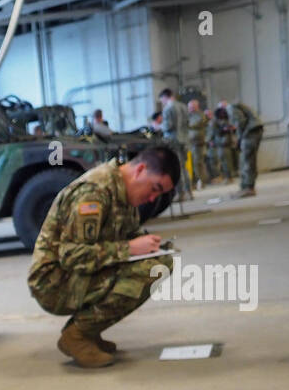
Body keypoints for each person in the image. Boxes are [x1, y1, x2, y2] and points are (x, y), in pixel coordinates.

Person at [27, 147, 180, 369]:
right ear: (140, 170)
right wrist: (129, 249)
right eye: (154, 188)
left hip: (76, 274)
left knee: (161, 263)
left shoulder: (124, 194)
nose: (152, 197)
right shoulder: (94, 192)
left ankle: (88, 331)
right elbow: (72, 256)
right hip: (53, 282)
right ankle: (77, 336)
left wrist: (149, 247)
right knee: (148, 271)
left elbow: (126, 236)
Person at [159, 88, 193, 200]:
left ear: (165, 97)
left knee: (176, 168)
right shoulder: (183, 106)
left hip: (173, 140)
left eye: (162, 100)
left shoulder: (168, 108)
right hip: (184, 139)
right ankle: (189, 192)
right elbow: (188, 123)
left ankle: (180, 193)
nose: (162, 102)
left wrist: (158, 126)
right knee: (184, 167)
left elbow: (168, 126)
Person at [228, 100, 265, 197]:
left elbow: (240, 122)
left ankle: (248, 188)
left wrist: (239, 139)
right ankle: (245, 187)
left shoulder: (230, 108)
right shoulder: (236, 105)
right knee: (249, 159)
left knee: (247, 160)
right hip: (254, 130)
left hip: (250, 132)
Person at [187, 98, 209, 188]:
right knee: (191, 163)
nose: (190, 109)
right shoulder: (189, 116)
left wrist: (184, 123)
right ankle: (194, 182)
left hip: (198, 143)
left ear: (197, 106)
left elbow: (195, 124)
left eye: (192, 107)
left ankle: (202, 181)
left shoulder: (201, 115)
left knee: (198, 163)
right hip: (190, 143)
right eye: (189, 107)